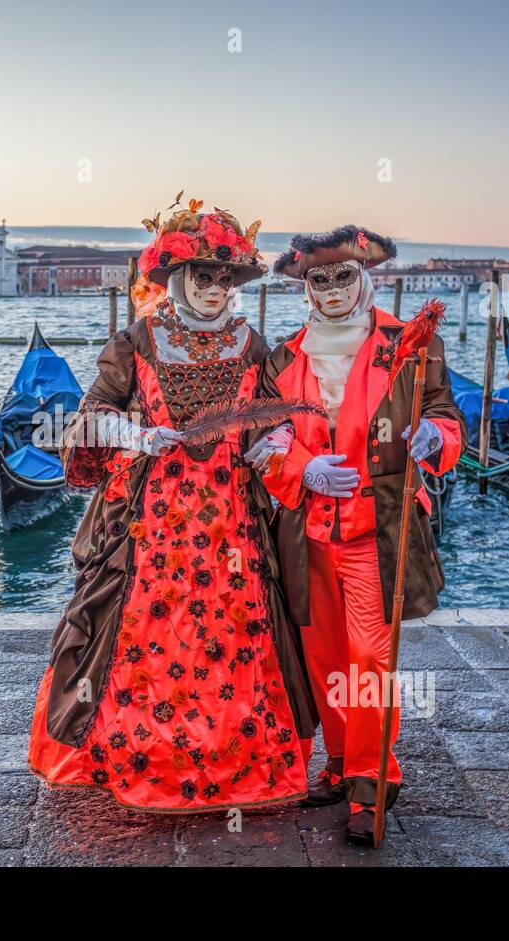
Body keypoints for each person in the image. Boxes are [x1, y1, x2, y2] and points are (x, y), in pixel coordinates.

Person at [27, 198, 318, 812]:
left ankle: (234, 762)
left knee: (236, 631)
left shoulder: (251, 342)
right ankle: (143, 756)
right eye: (203, 277)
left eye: (225, 278)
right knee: (146, 631)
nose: (215, 289)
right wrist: (136, 435)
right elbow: (94, 414)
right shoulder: (138, 340)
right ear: (177, 279)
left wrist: (278, 442)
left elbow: (271, 415)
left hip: (231, 519)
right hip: (154, 516)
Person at [247, 225, 464, 844]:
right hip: (307, 531)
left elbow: (446, 415)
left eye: (345, 276)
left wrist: (434, 439)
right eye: (321, 278)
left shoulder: (410, 346)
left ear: (363, 280)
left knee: (369, 659)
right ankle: (340, 763)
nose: (334, 288)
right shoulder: (283, 358)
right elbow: (263, 440)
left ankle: (373, 783)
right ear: (307, 288)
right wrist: (300, 467)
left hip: (378, 530)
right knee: (324, 656)